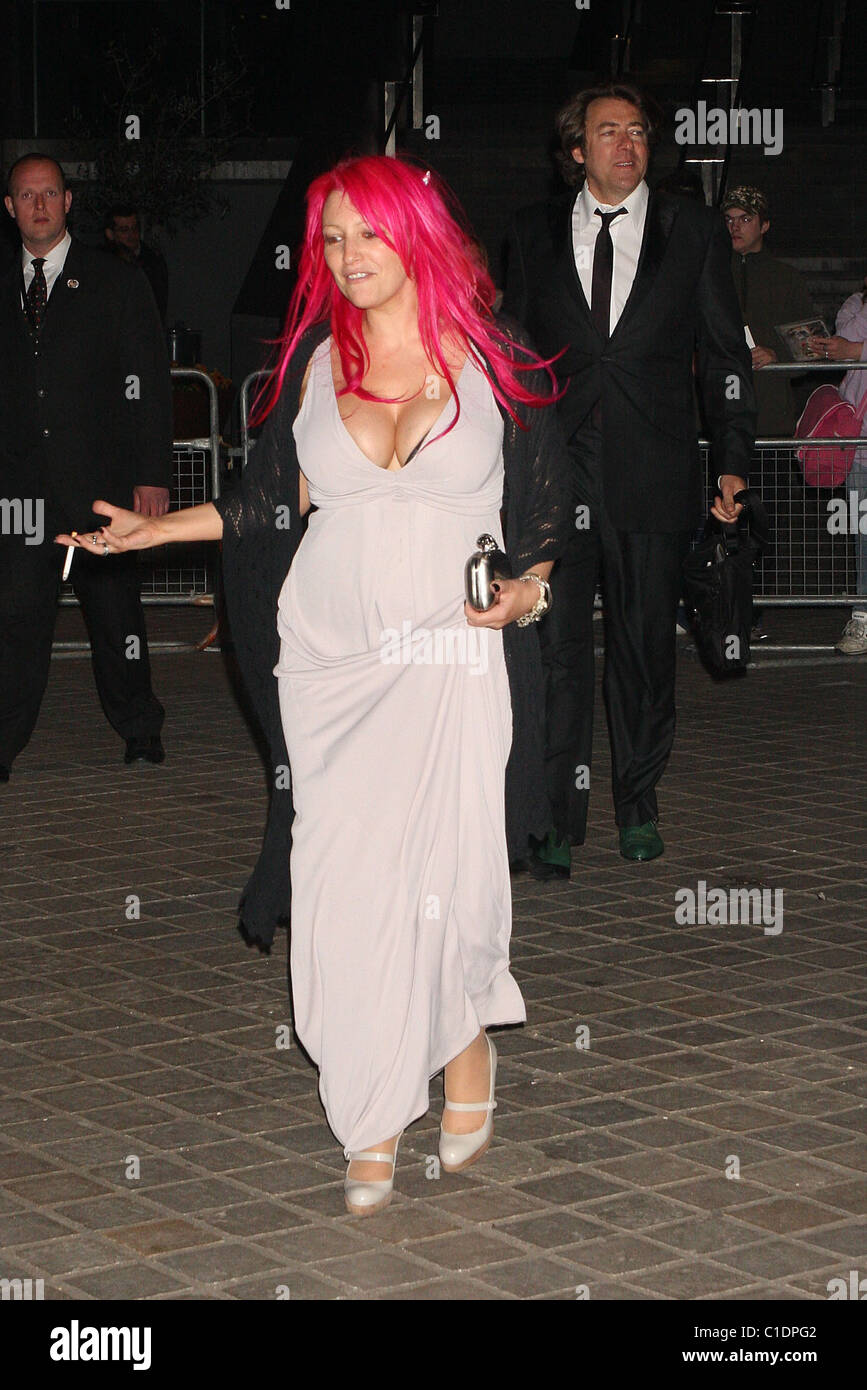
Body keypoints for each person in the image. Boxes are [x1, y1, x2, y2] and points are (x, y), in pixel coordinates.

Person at [56, 156, 573, 1215]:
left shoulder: (493, 356)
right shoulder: (316, 365)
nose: (348, 258)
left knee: (454, 866)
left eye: (367, 235)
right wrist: (157, 529)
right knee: (343, 881)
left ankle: (464, 1037)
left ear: (416, 232)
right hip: (332, 657)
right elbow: (262, 506)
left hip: (448, 655)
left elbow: (549, 518)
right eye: (332, 239)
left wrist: (525, 596)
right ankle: (373, 1106)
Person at [503, 81, 755, 873]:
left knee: (645, 648)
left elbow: (724, 354)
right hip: (557, 467)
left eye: (638, 133)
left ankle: (637, 804)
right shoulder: (530, 232)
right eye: (608, 132)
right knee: (554, 647)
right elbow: (511, 354)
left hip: (653, 470)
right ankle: (552, 816)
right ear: (576, 149)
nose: (627, 145)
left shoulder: (693, 230)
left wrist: (733, 460)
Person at [0, 154, 172, 783]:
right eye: (25, 195)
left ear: (69, 202)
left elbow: (149, 383)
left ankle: (140, 726)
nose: (38, 205)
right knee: (15, 617)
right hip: (19, 493)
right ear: (10, 206)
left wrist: (152, 475)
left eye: (49, 193)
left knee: (115, 613)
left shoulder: (116, 281)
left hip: (100, 486)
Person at [722, 185, 818, 437]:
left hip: (770, 414)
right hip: (717, 414)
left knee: (770, 473)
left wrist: (776, 355)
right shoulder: (709, 274)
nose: (735, 226)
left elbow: (810, 346)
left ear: (764, 225)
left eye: (745, 219)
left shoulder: (786, 278)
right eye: (729, 219)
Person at [809, 280, 867, 654]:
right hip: (860, 442)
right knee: (864, 534)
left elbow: (852, 347)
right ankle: (862, 616)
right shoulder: (854, 304)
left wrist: (858, 349)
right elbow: (841, 347)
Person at [104, 204, 169, 325]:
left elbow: (158, 305)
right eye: (124, 230)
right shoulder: (100, 262)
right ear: (110, 234)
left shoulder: (152, 262)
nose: (131, 235)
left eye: (134, 229)